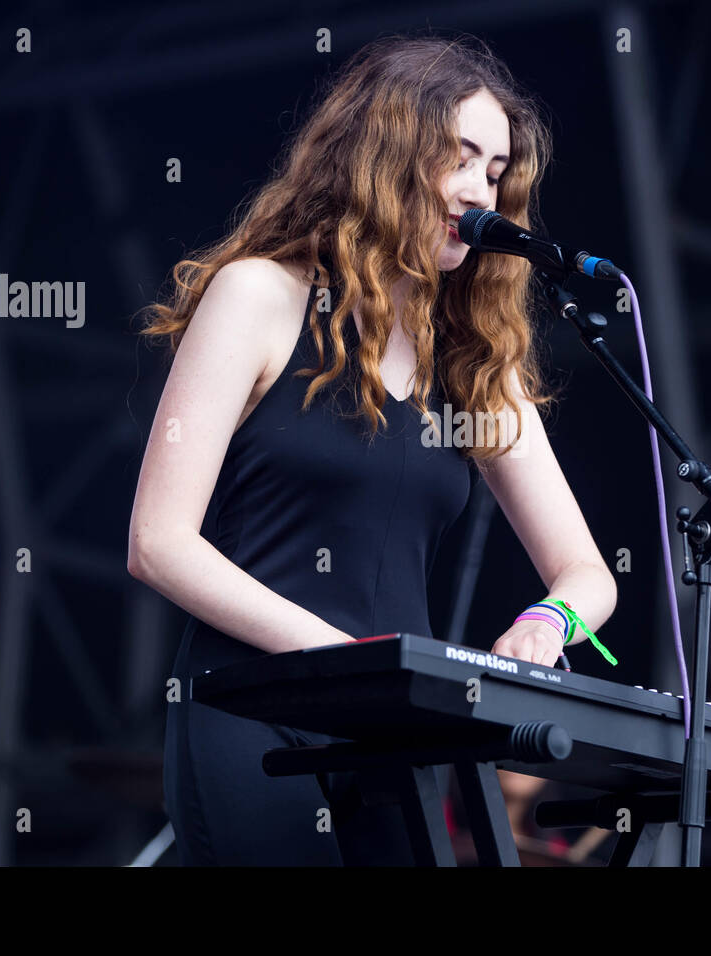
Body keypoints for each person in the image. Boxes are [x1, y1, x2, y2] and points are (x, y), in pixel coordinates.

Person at [127, 32, 618, 866]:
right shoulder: (260, 296)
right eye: (459, 158)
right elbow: (158, 543)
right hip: (254, 711)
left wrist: (547, 621)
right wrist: (344, 660)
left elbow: (589, 577)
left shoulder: (471, 358)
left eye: (496, 171)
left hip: (399, 730)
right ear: (386, 154)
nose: (479, 189)